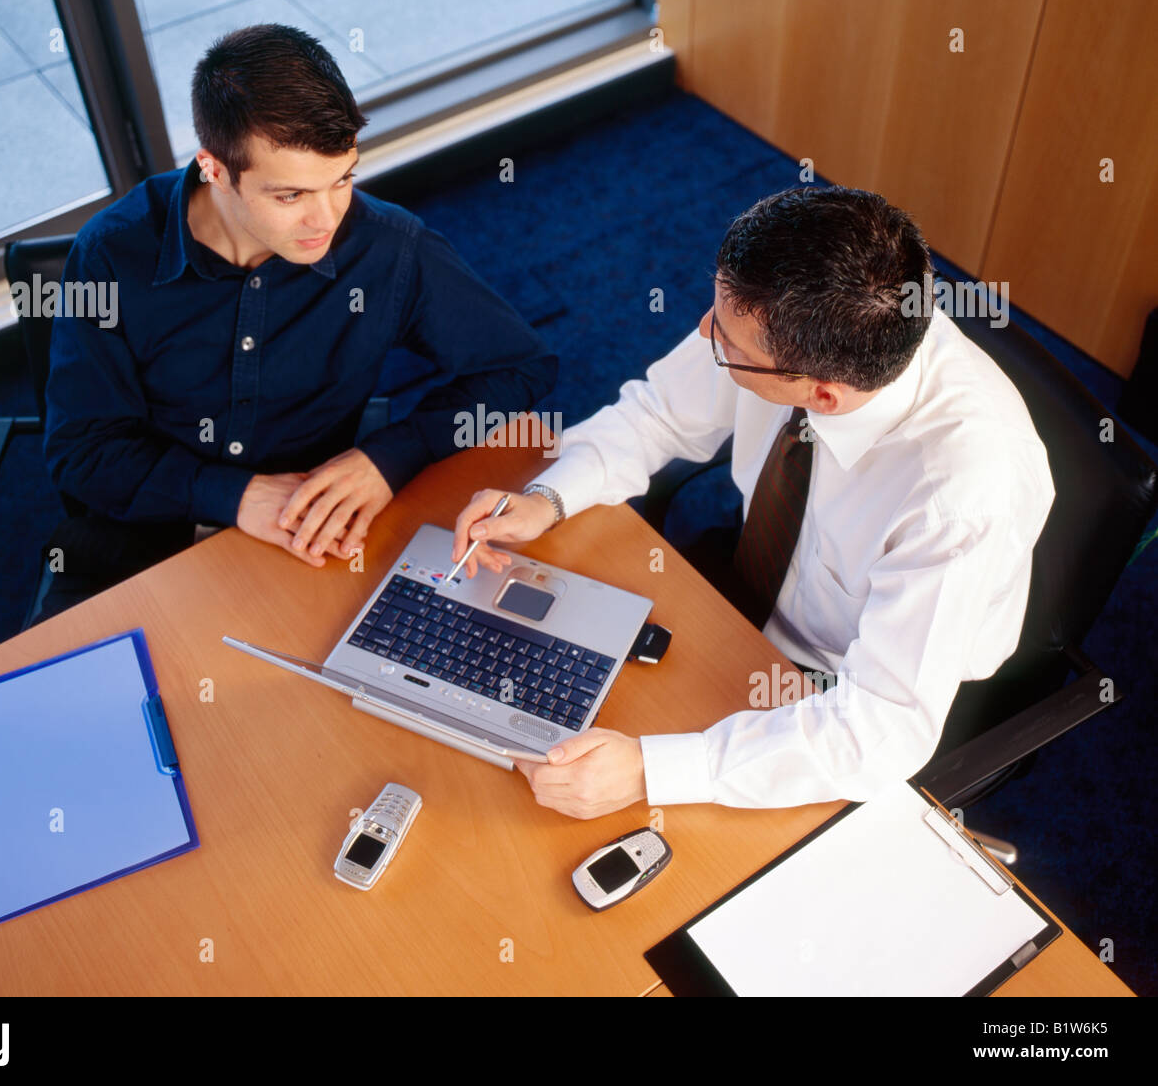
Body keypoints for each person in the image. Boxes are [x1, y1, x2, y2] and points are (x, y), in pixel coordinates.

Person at [450, 186, 1054, 817]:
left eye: (730, 347)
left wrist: (651, 771)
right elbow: (658, 413)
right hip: (745, 593)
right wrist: (549, 496)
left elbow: (880, 727)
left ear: (822, 397)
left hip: (836, 684)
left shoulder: (961, 496)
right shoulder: (776, 322)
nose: (706, 334)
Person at [40, 24, 556, 618]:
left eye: (342, 180)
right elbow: (81, 453)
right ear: (214, 168)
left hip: (311, 538)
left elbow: (520, 367)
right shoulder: (109, 254)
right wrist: (235, 496)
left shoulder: (387, 248)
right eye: (290, 196)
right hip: (142, 540)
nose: (327, 218)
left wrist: (390, 455)